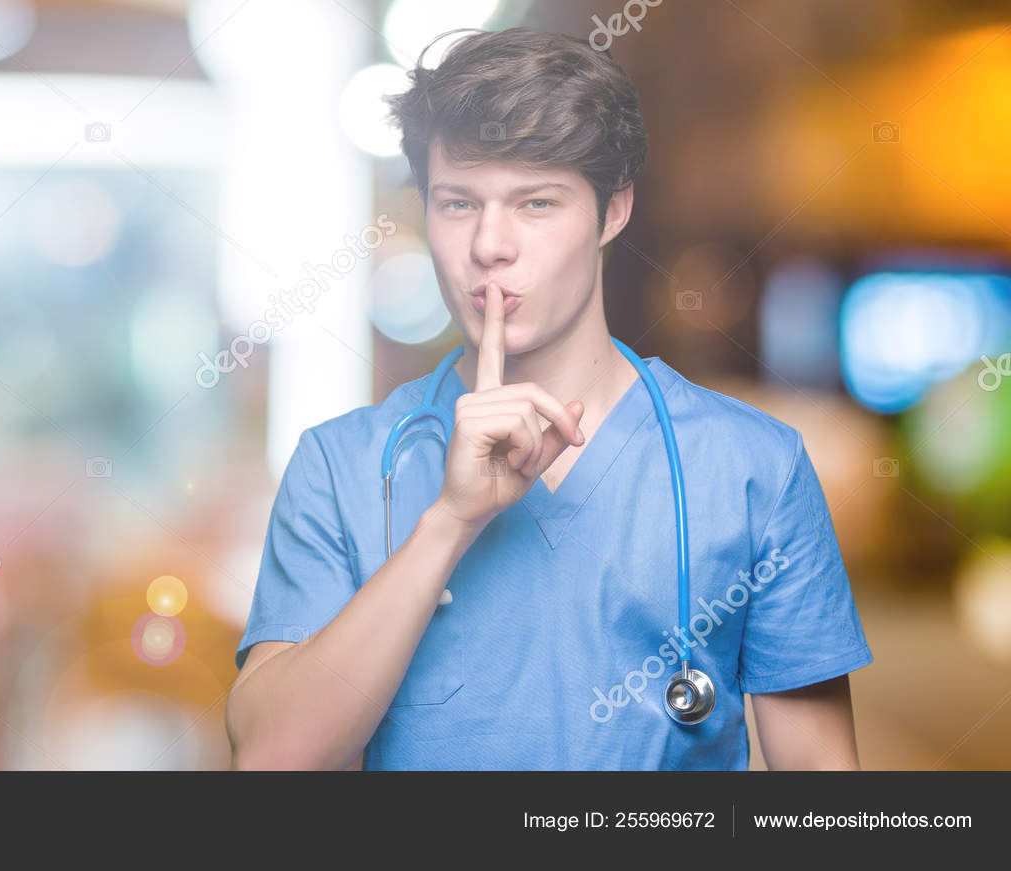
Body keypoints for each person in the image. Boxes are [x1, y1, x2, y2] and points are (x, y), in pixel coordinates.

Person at [225, 28, 873, 770]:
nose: (489, 245)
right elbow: (271, 759)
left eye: (535, 203)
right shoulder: (339, 467)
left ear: (613, 212)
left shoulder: (754, 467)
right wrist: (450, 522)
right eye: (458, 203)